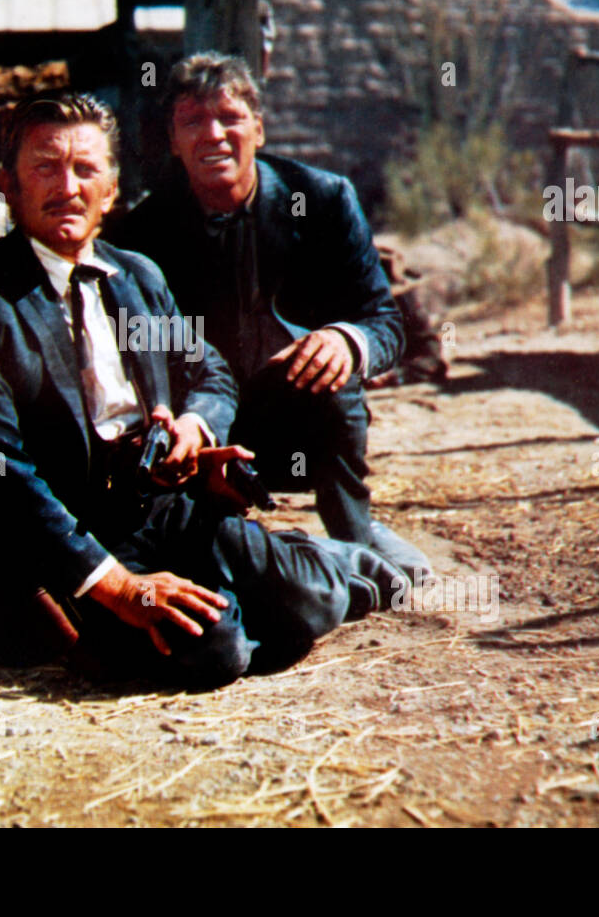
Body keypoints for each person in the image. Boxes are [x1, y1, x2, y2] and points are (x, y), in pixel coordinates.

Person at [0, 92, 414, 688]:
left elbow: (210, 374)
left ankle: (318, 566)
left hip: (166, 505)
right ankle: (246, 592)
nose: (67, 187)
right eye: (46, 167)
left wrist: (195, 430)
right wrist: (117, 587)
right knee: (215, 651)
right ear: (10, 187)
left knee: (311, 602)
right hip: (74, 538)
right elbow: (0, 469)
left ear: (111, 190)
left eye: (86, 169)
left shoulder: (138, 278)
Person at [110, 53, 430, 578]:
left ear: (258, 130)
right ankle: (233, 539)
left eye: (229, 118)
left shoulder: (322, 200)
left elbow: (384, 321)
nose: (212, 134)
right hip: (198, 430)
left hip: (294, 420)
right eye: (192, 121)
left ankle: (353, 533)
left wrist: (347, 341)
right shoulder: (140, 234)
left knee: (331, 367)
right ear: (172, 141)